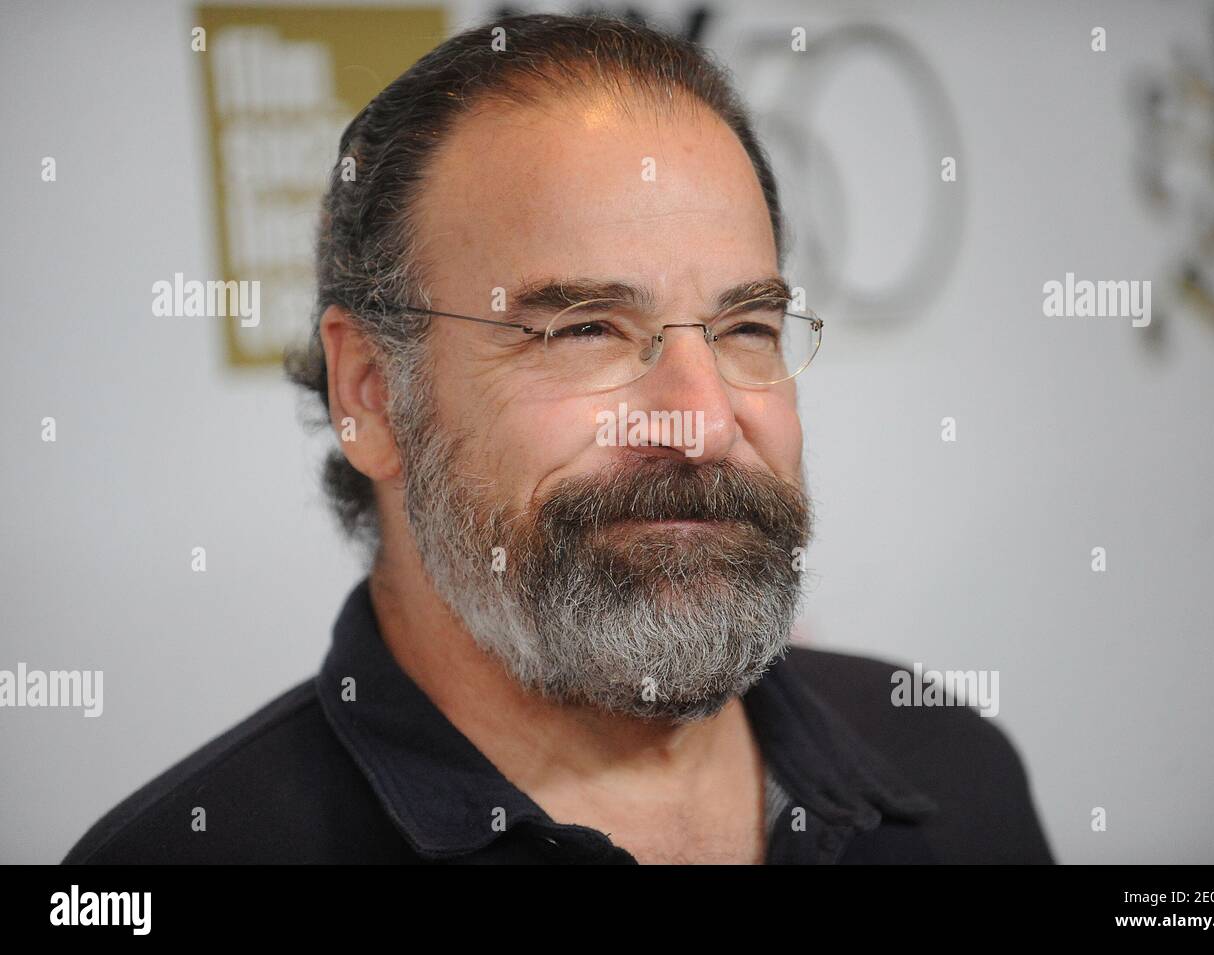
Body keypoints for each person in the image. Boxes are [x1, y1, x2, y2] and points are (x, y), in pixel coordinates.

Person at [64, 12, 1053, 864]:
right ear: (369, 391)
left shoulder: (953, 771)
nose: (702, 424)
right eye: (584, 329)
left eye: (745, 328)